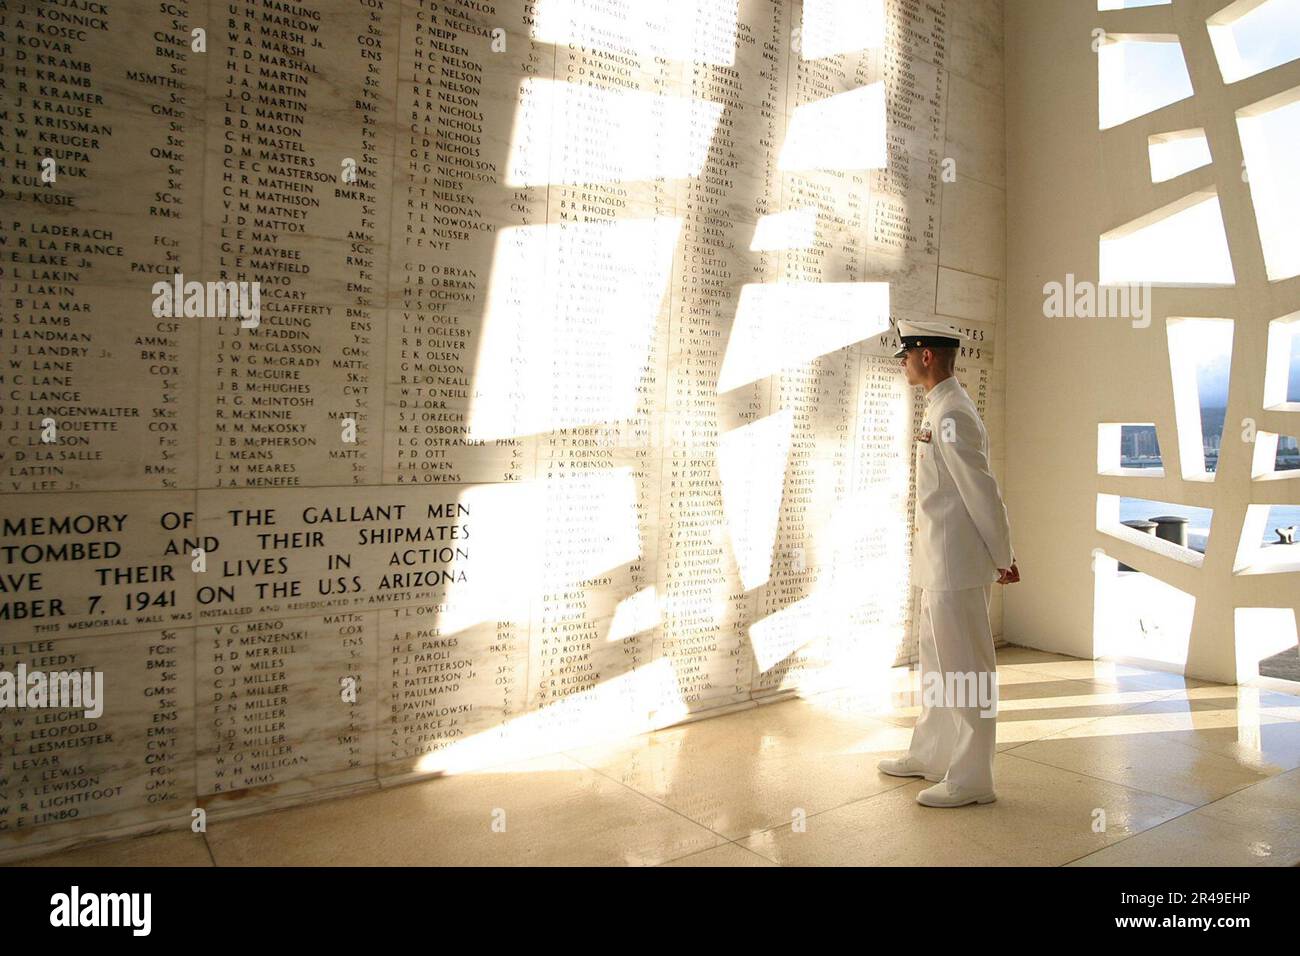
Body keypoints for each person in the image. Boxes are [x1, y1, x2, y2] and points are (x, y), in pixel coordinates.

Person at [877, 318, 1019, 808]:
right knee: (939, 665)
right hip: (939, 563)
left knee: (967, 671)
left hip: (957, 566)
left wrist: (1004, 555)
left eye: (906, 356)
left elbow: (981, 490)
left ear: (926, 356)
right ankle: (933, 755)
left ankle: (974, 776)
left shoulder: (952, 412)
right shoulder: (941, 408)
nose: (903, 364)